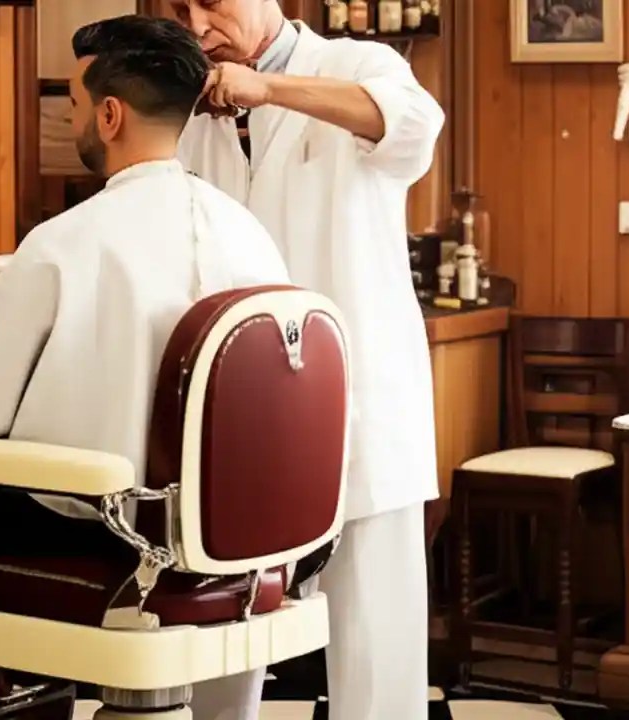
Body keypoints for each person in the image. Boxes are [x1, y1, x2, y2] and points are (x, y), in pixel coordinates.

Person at [0, 15, 291, 720]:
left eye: (73, 105)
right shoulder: (247, 233)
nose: (74, 121)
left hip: (116, 539)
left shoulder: (69, 242)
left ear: (110, 113)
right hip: (238, 537)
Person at [168, 1, 446, 719]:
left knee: (375, 654)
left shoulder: (359, 66)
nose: (196, 25)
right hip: (243, 416)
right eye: (178, 8)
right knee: (222, 646)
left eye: (211, 3)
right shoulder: (195, 115)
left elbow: (414, 126)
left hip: (360, 407)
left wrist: (268, 88)